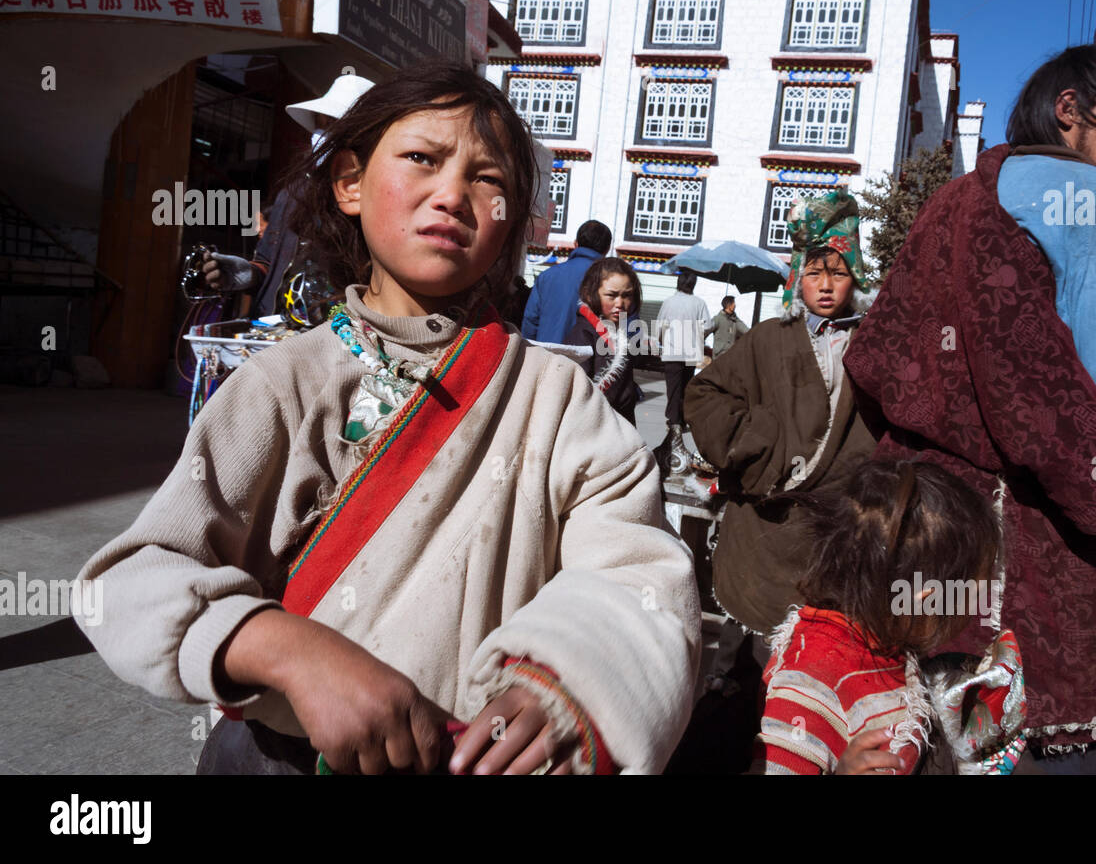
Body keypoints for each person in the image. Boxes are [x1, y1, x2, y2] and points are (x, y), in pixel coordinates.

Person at [74, 60, 700, 776]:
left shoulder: (559, 400)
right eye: (422, 159)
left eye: (488, 179)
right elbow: (133, 577)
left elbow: (641, 574)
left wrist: (569, 683)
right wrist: (284, 648)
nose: (454, 195)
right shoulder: (281, 382)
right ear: (350, 183)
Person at [845, 45, 1096, 774]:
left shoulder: (953, 201)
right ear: (1069, 111)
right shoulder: (1086, 196)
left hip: (911, 530)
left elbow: (873, 359)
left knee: (914, 735)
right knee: (1055, 746)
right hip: (1027, 551)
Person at [687, 189, 878, 636]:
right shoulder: (770, 337)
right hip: (766, 517)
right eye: (814, 274)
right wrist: (756, 443)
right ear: (797, 278)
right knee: (753, 639)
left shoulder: (874, 344)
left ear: (857, 279)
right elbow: (704, 394)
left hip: (837, 525)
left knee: (822, 645)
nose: (826, 286)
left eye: (838, 274)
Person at [758, 458, 1025, 776]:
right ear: (926, 598)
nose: (979, 604)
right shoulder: (811, 681)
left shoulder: (884, 643)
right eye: (974, 592)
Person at [202, 73, 376, 316]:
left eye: (335, 124)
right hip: (272, 329)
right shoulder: (293, 192)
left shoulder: (375, 199)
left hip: (338, 333)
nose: (323, 134)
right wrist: (240, 274)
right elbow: (267, 262)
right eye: (321, 122)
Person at [563, 257, 645, 425]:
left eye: (627, 296)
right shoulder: (582, 336)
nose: (620, 303)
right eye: (611, 295)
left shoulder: (618, 332)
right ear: (589, 293)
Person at [658, 269, 713, 474]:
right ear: (693, 284)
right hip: (690, 351)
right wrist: (698, 336)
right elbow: (708, 325)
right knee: (685, 386)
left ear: (679, 283)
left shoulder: (669, 302)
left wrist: (662, 341)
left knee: (673, 387)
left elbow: (660, 326)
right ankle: (678, 418)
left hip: (672, 349)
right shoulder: (699, 303)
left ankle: (674, 421)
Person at [521, 220, 611, 343]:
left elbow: (530, 322)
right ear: (607, 249)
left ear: (576, 244)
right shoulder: (611, 282)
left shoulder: (547, 276)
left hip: (546, 356)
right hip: (587, 360)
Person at [706, 295, 748, 360]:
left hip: (731, 356)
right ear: (728, 305)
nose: (735, 305)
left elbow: (746, 331)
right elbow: (705, 330)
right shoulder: (717, 319)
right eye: (733, 303)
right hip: (719, 356)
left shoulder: (735, 321)